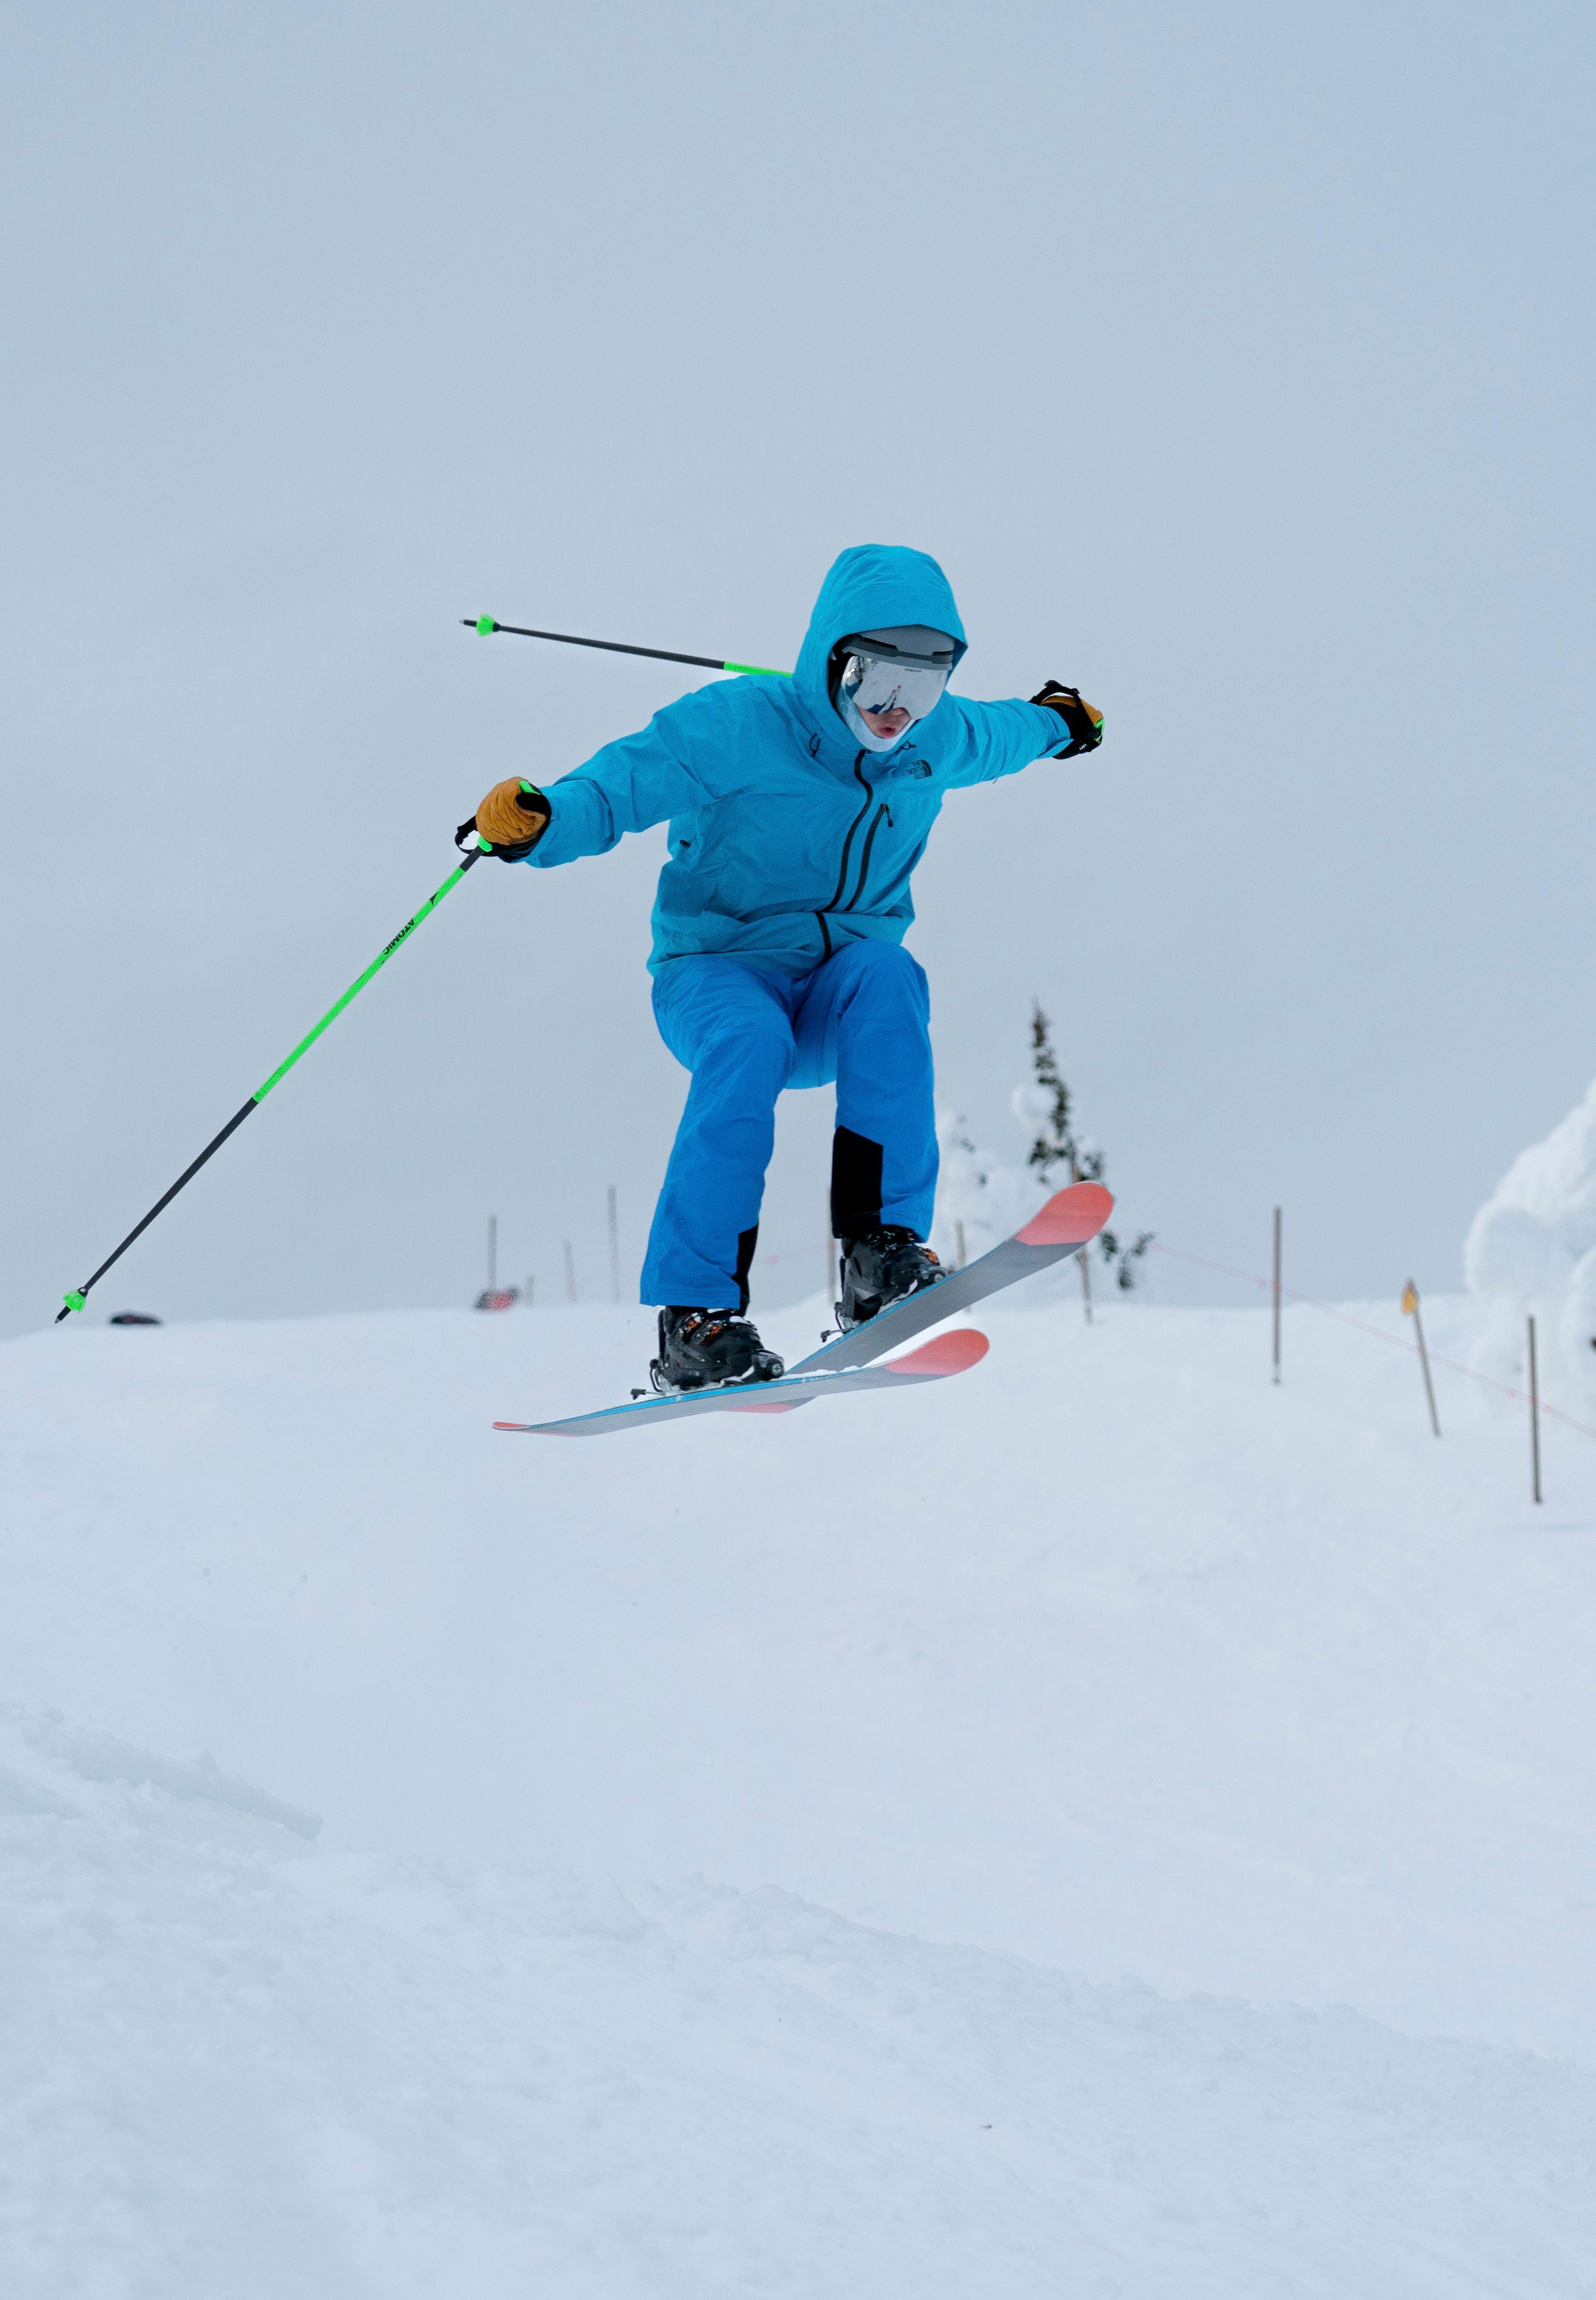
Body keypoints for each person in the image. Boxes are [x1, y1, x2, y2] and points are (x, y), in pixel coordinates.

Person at [459, 544, 1102, 1393]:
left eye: (924, 684)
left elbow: (1010, 729)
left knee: (890, 977)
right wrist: (541, 823)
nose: (895, 710)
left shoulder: (936, 741)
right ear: (832, 659)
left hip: (836, 993)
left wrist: (1062, 721)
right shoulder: (735, 726)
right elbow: (618, 789)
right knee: (750, 1038)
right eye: (877, 681)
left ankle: (878, 1252)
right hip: (719, 970)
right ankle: (697, 1318)